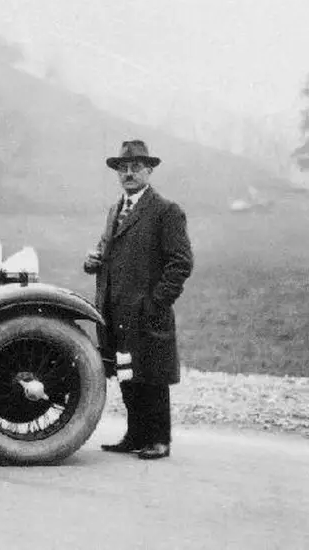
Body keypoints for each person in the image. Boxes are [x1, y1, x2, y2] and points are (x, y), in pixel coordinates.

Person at [83, 140, 194, 460]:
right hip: (114, 308)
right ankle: (135, 435)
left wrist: (157, 303)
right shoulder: (115, 210)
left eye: (135, 168)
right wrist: (93, 261)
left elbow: (181, 263)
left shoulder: (166, 211)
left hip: (146, 310)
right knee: (127, 370)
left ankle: (159, 439)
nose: (128, 174)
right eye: (123, 168)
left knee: (153, 374)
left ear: (150, 170)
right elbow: (108, 251)